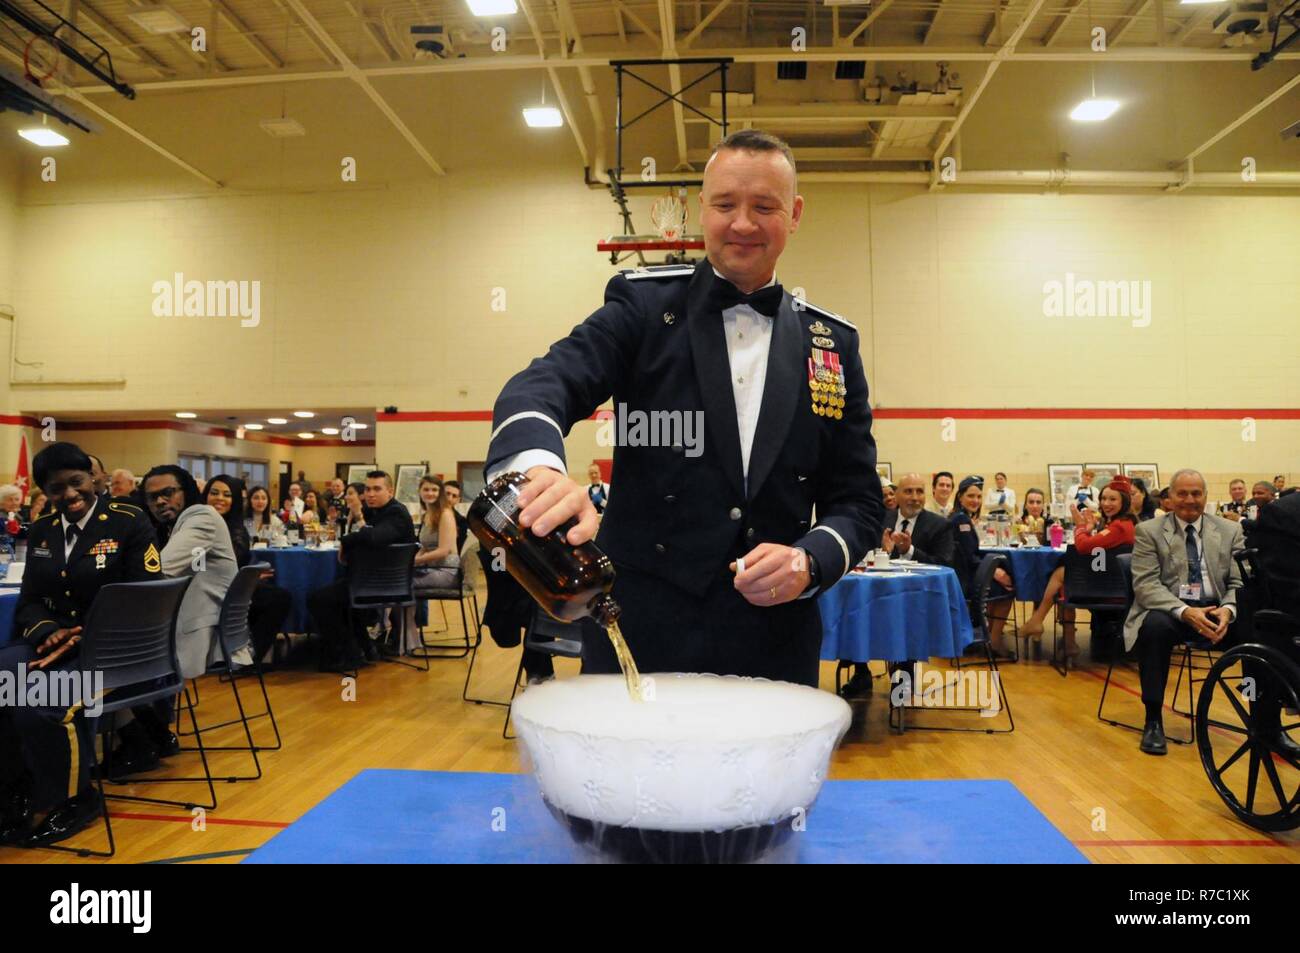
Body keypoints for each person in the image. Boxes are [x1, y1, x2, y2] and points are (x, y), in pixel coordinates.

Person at [484, 129, 882, 688]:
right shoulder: (643, 308)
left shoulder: (832, 344)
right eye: (725, 204)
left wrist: (811, 560)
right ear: (702, 210)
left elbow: (859, 501)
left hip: (774, 641)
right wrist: (539, 468)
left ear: (794, 214)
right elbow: (542, 384)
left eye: (764, 206)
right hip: (642, 633)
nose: (742, 223)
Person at [0, 442, 160, 847]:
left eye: (77, 482)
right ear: (46, 493)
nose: (70, 495)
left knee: (40, 701)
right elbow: (30, 599)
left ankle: (77, 797)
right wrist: (46, 629)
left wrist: (88, 631)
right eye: (57, 489)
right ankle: (18, 789)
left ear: (94, 479)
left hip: (116, 649)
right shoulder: (41, 530)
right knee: (3, 681)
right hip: (55, 644)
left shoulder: (129, 520)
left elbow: (148, 594)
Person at [1123, 469, 1250, 756]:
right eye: (1182, 493)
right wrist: (1185, 611)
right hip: (1171, 611)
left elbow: (1240, 581)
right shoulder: (1149, 531)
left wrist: (1228, 610)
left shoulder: (1231, 531)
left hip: (1218, 611)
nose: (1190, 500)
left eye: (1196, 493)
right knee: (1154, 627)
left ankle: (1263, 721)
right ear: (1169, 498)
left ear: (1206, 496)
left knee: (1262, 624)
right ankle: (1153, 719)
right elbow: (1146, 585)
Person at [122, 465, 238, 772]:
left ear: (186, 491)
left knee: (104, 653)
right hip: (188, 624)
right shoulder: (178, 525)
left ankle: (138, 739)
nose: (160, 502)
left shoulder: (201, 517)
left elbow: (158, 570)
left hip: (197, 630)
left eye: (167, 493)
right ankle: (154, 734)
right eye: (152, 498)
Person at [840, 472, 956, 698]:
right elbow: (860, 555)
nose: (914, 497)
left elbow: (944, 564)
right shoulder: (880, 521)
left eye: (919, 491)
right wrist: (882, 551)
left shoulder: (939, 525)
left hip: (917, 601)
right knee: (854, 608)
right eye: (908, 491)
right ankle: (861, 672)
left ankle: (905, 674)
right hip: (876, 595)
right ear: (897, 495)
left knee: (907, 615)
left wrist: (908, 551)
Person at [307, 471, 416, 672]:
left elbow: (374, 537)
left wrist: (347, 541)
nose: (371, 494)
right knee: (335, 595)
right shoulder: (375, 511)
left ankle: (347, 653)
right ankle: (363, 648)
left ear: (390, 491)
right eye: (367, 489)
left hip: (386, 583)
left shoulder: (397, 513)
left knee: (319, 599)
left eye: (377, 489)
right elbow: (364, 535)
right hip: (369, 579)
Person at [1021, 476, 1138, 659]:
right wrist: (1089, 528)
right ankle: (1067, 642)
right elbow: (1096, 546)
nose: (1106, 503)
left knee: (1064, 575)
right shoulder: (1119, 524)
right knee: (1066, 577)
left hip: (1110, 587)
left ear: (1124, 502)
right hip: (1109, 579)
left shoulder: (1120, 527)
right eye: (1104, 499)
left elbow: (1083, 546)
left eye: (1113, 499)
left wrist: (1081, 527)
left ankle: (1040, 622)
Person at [206, 475, 291, 663]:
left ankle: (251, 653)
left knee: (279, 596)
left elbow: (236, 561)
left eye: (227, 495)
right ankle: (246, 657)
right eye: (214, 493)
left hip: (234, 584)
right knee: (276, 598)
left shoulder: (236, 526)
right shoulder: (201, 524)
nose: (220, 498)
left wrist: (250, 576)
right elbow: (202, 564)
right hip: (210, 588)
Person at [948, 476, 1015, 658]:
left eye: (978, 497)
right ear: (960, 497)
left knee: (1002, 581)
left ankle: (990, 636)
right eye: (971, 496)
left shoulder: (960, 517)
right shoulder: (961, 521)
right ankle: (994, 641)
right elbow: (970, 558)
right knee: (1007, 590)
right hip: (965, 582)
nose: (975, 501)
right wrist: (995, 572)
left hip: (962, 577)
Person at [443, 479, 469, 552]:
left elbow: (459, 547)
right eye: (447, 493)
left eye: (454, 496)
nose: (449, 499)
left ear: (458, 500)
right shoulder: (428, 515)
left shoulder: (461, 521)